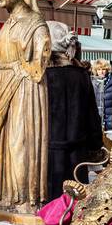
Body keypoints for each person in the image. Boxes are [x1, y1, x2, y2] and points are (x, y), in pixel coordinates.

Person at [0, 0, 51, 216]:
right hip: (5, 87)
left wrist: (15, 67)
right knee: (3, 142)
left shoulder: (36, 25)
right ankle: (6, 195)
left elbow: (40, 65)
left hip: (25, 91)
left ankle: (24, 197)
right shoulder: (7, 25)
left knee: (20, 142)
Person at [45, 22, 102, 203]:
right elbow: (93, 115)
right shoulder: (81, 75)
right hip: (78, 154)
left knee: (53, 207)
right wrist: (95, 146)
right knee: (76, 205)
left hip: (49, 153)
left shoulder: (42, 75)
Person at [90, 58, 112, 128]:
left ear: (107, 70)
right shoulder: (92, 83)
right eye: (99, 69)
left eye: (103, 69)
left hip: (111, 120)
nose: (101, 72)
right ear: (96, 71)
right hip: (96, 120)